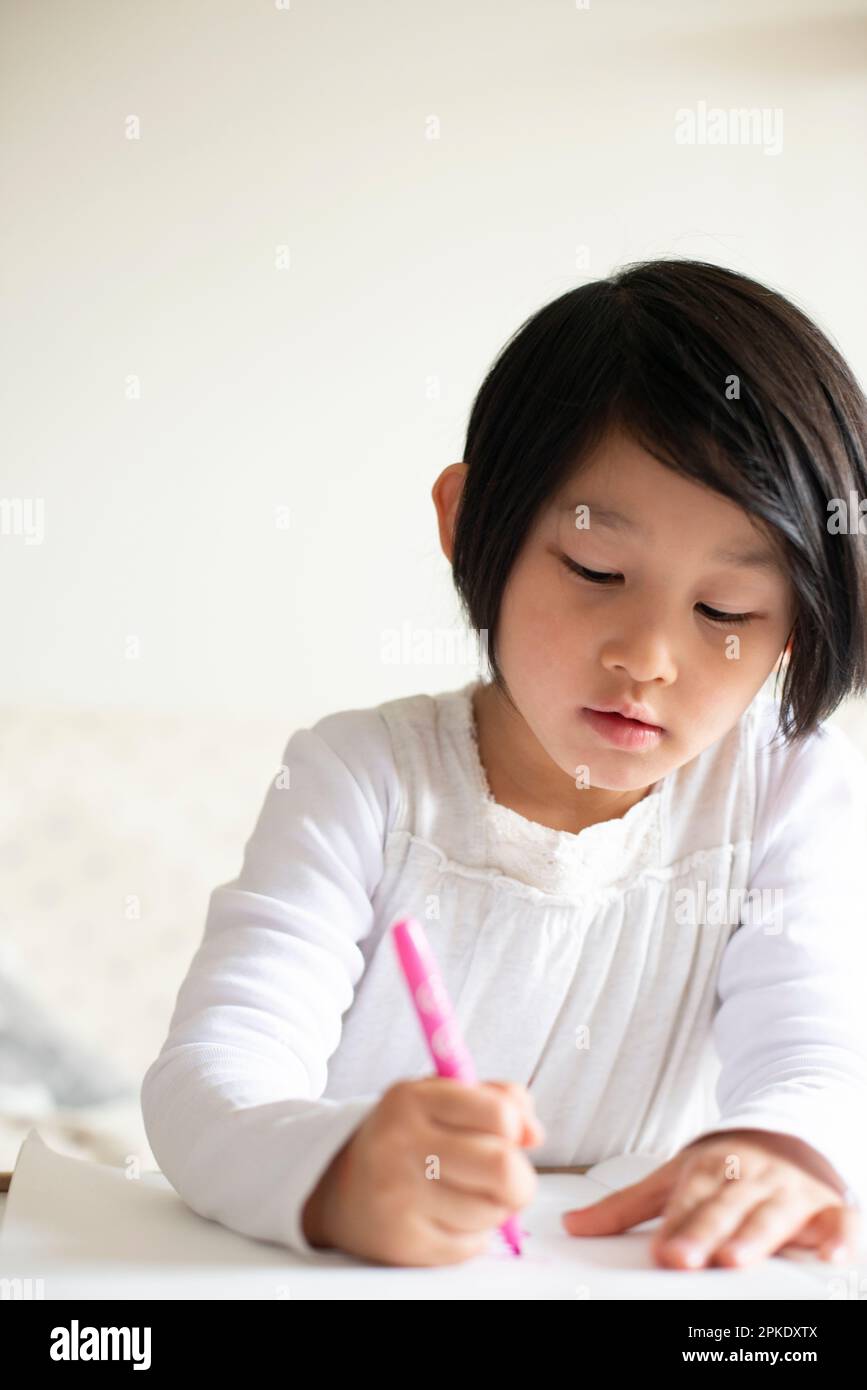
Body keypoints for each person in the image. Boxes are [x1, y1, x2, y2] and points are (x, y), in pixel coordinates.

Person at [141, 259, 867, 1270]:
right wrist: (336, 1173)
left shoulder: (784, 787)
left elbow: (815, 1051)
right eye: (596, 571)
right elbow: (208, 1080)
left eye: (725, 612)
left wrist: (777, 1148)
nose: (647, 659)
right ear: (467, 523)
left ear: (796, 625)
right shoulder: (361, 780)